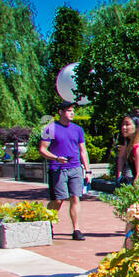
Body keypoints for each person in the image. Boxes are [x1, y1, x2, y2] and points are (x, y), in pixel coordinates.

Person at [38, 101, 91, 240]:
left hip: (75, 168)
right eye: (68, 110)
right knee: (59, 200)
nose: (72, 113)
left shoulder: (78, 129)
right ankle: (46, 222)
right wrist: (56, 158)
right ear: (61, 112)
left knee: (75, 197)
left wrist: (88, 170)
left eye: (73, 110)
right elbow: (43, 149)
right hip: (58, 169)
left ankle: (76, 230)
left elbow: (83, 150)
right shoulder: (50, 128)